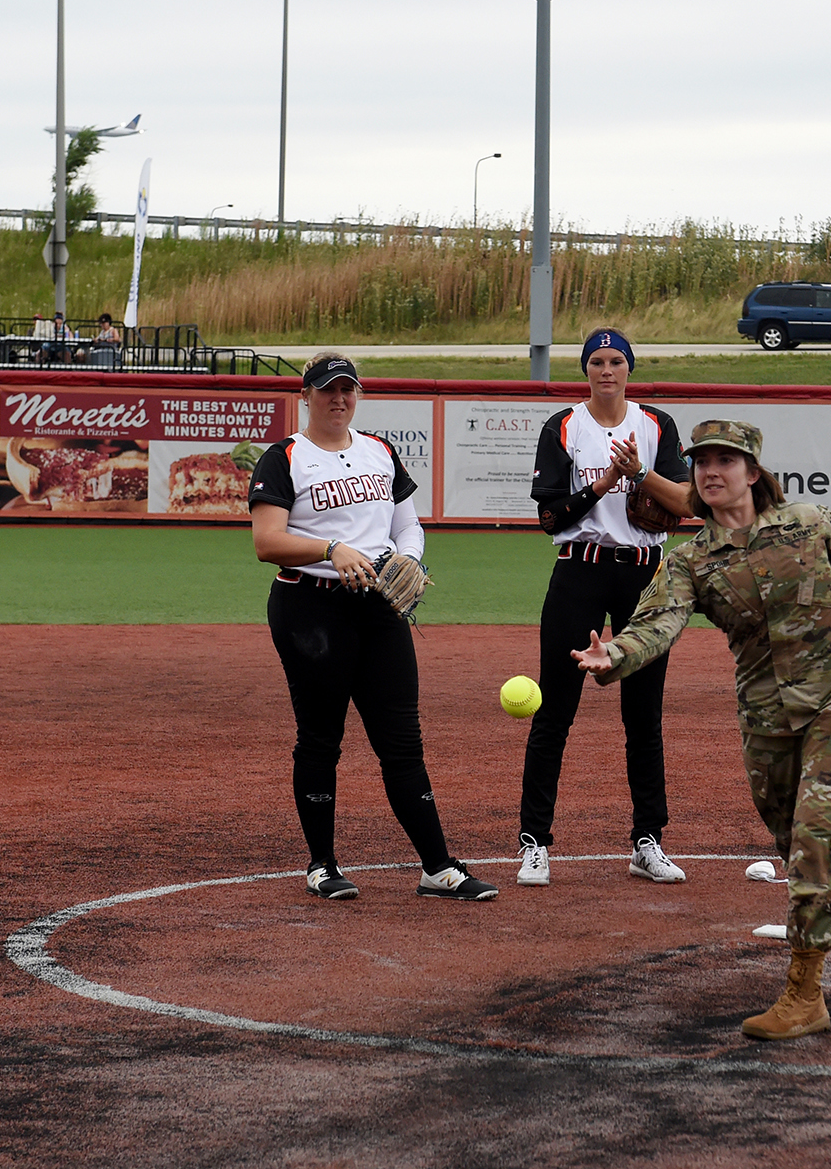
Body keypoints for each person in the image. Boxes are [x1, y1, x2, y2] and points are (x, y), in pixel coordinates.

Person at [571, 419, 831, 1041]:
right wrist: (617, 656)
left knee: (817, 837)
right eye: (700, 462)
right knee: (799, 838)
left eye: (725, 461)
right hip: (767, 714)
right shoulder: (690, 562)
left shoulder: (812, 524)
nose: (711, 472)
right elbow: (656, 622)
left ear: (753, 472)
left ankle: (804, 993)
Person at [248, 353, 497, 902]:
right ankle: (322, 865)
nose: (339, 399)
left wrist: (409, 560)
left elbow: (407, 523)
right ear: (306, 397)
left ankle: (437, 867)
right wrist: (331, 548)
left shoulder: (379, 451)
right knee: (320, 738)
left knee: (402, 742)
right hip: (310, 608)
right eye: (328, 389)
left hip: (379, 607)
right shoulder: (285, 457)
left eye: (348, 390)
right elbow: (267, 542)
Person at [517, 328, 695, 888]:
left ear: (629, 369)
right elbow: (550, 518)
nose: (607, 370)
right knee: (555, 712)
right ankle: (534, 844)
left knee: (644, 717)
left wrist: (641, 474)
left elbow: (685, 504)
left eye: (616, 360)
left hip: (646, 577)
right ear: (586, 370)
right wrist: (606, 483)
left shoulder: (657, 425)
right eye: (597, 361)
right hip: (581, 571)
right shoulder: (564, 426)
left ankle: (648, 841)